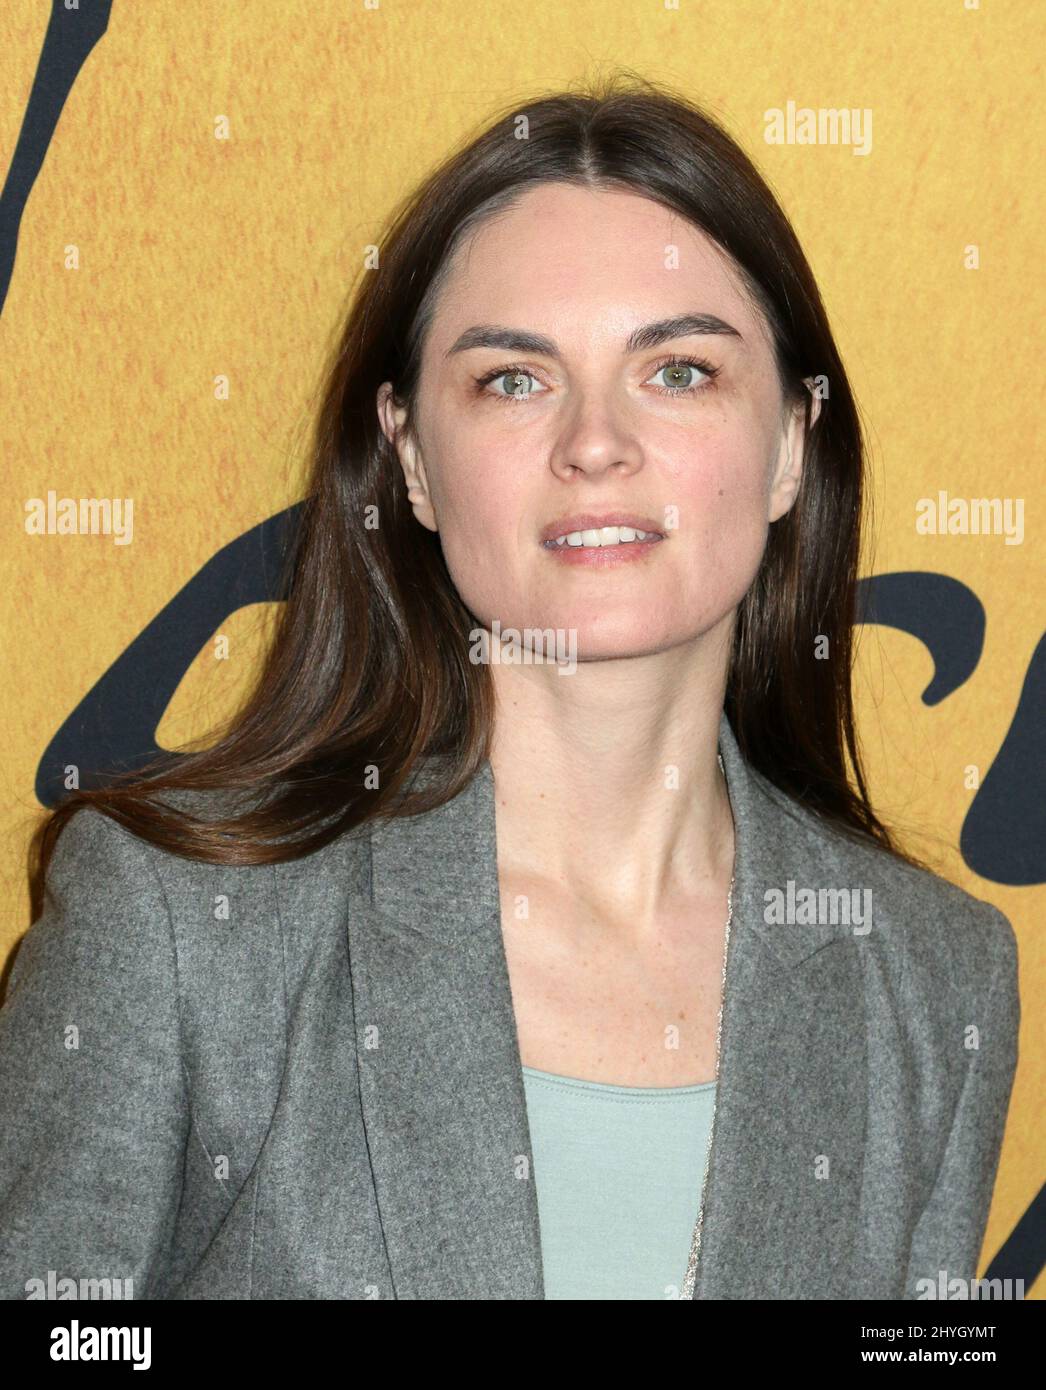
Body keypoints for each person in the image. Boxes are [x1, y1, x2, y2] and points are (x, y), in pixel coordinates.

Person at [0, 74, 1019, 1300]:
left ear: (792, 446)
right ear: (413, 461)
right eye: (513, 379)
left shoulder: (931, 978)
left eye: (679, 370)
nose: (595, 442)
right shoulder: (171, 922)